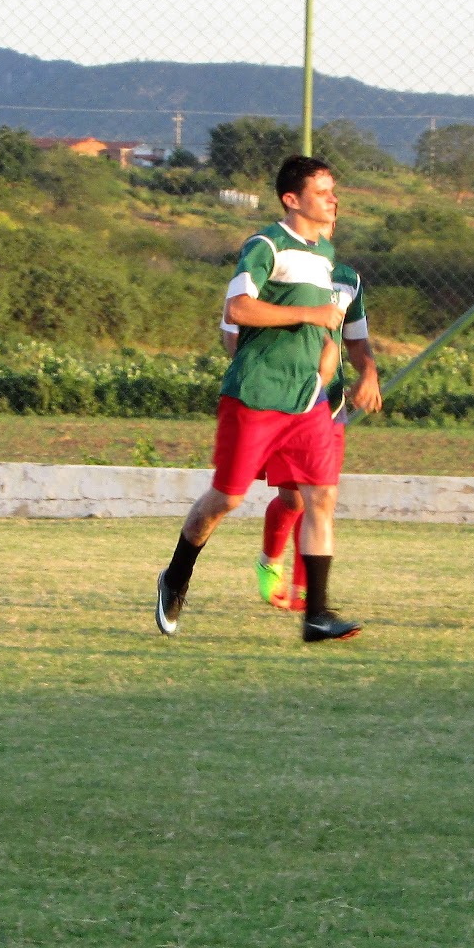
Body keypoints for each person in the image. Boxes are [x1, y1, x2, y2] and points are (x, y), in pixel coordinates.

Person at [155, 155, 359, 643]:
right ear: (292, 200)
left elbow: (317, 324)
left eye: (334, 190)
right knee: (226, 498)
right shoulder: (265, 245)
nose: (334, 199)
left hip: (306, 399)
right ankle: (176, 575)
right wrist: (309, 316)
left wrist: (324, 350)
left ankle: (317, 614)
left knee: (321, 497)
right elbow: (239, 308)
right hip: (257, 395)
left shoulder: (325, 253)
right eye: (323, 191)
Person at [230, 257, 382, 613]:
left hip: (328, 405)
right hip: (284, 401)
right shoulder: (275, 268)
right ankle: (270, 560)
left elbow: (357, 343)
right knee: (294, 499)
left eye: (331, 208)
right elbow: (236, 329)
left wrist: (369, 372)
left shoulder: (347, 278)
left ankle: (307, 594)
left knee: (320, 498)